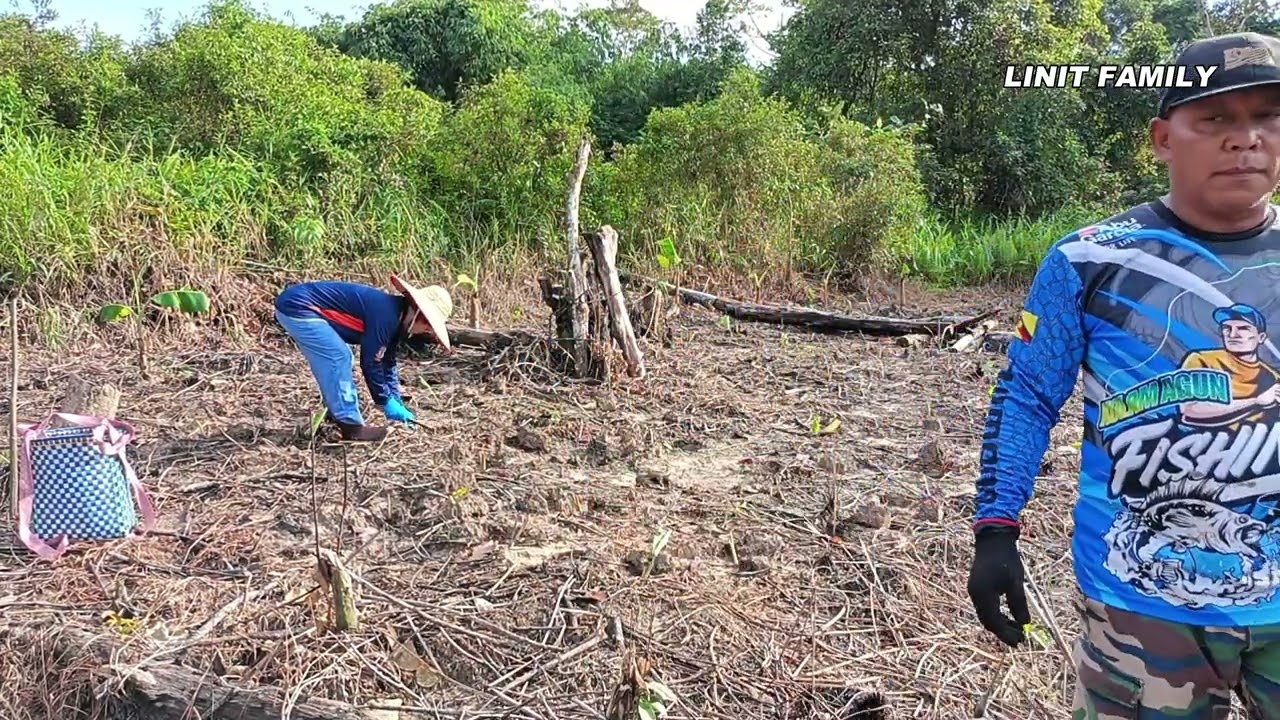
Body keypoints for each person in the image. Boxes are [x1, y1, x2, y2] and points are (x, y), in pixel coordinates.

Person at [967, 31, 1280, 717]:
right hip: (1141, 609)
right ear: (1164, 138)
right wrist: (996, 529)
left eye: (1266, 117)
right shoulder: (1090, 261)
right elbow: (1026, 396)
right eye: (1217, 119)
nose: (1246, 139)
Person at [274, 274, 453, 442]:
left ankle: (337, 413)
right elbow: (370, 362)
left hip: (298, 306)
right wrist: (384, 400)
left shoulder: (395, 318)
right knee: (339, 357)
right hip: (299, 307)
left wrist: (395, 400)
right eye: (428, 325)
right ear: (418, 314)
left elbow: (387, 362)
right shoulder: (387, 316)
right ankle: (351, 427)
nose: (427, 331)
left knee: (337, 358)